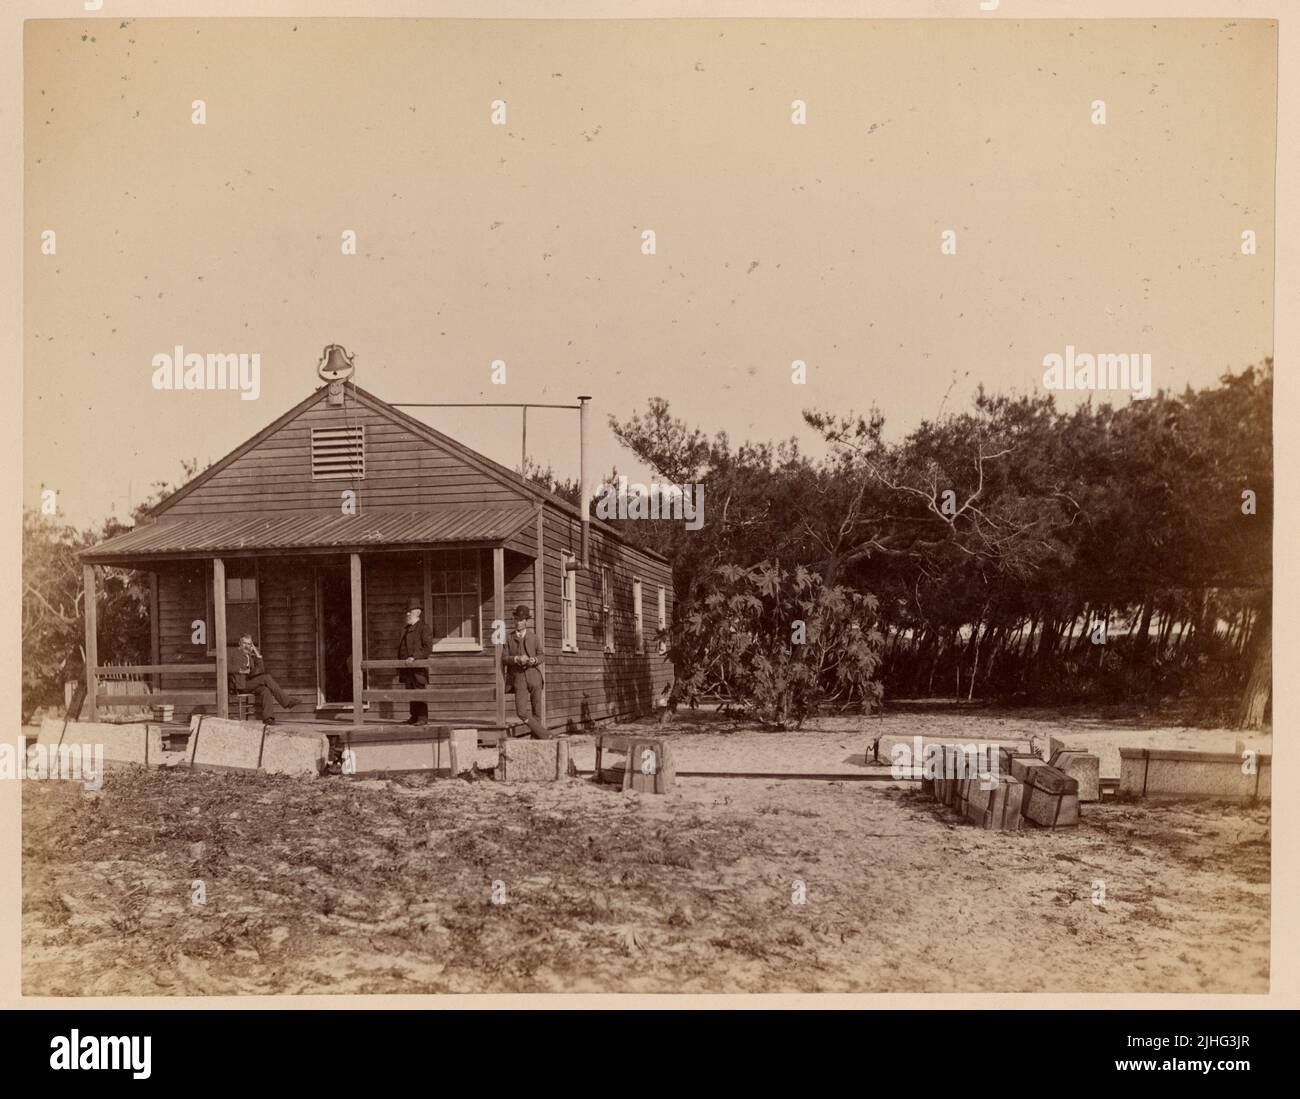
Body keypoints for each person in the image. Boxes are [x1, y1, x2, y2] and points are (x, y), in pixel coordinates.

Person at [504, 603, 548, 739]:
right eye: (516, 619)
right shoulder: (508, 637)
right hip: (518, 677)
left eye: (521, 620)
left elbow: (542, 655)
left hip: (534, 675)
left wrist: (533, 660)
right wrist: (516, 658)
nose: (518, 622)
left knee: (537, 712)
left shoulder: (534, 637)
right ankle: (545, 735)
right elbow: (504, 658)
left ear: (526, 621)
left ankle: (536, 740)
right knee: (521, 711)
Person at [231, 634, 297, 723]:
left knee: (265, 690)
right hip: (240, 684)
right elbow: (226, 667)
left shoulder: (250, 657)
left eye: (249, 644)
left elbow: (261, 670)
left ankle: (268, 718)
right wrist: (241, 671)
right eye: (244, 643)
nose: (247, 646)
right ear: (240, 643)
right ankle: (286, 701)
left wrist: (257, 653)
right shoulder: (234, 653)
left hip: (249, 683)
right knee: (266, 677)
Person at [397, 597, 433, 725]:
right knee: (410, 691)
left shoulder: (424, 628)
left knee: (419, 690)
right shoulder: (405, 629)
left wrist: (414, 657)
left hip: (418, 668)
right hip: (407, 668)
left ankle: (422, 718)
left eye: (409, 611)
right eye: (406, 611)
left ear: (417, 612)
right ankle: (414, 716)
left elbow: (428, 648)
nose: (407, 614)